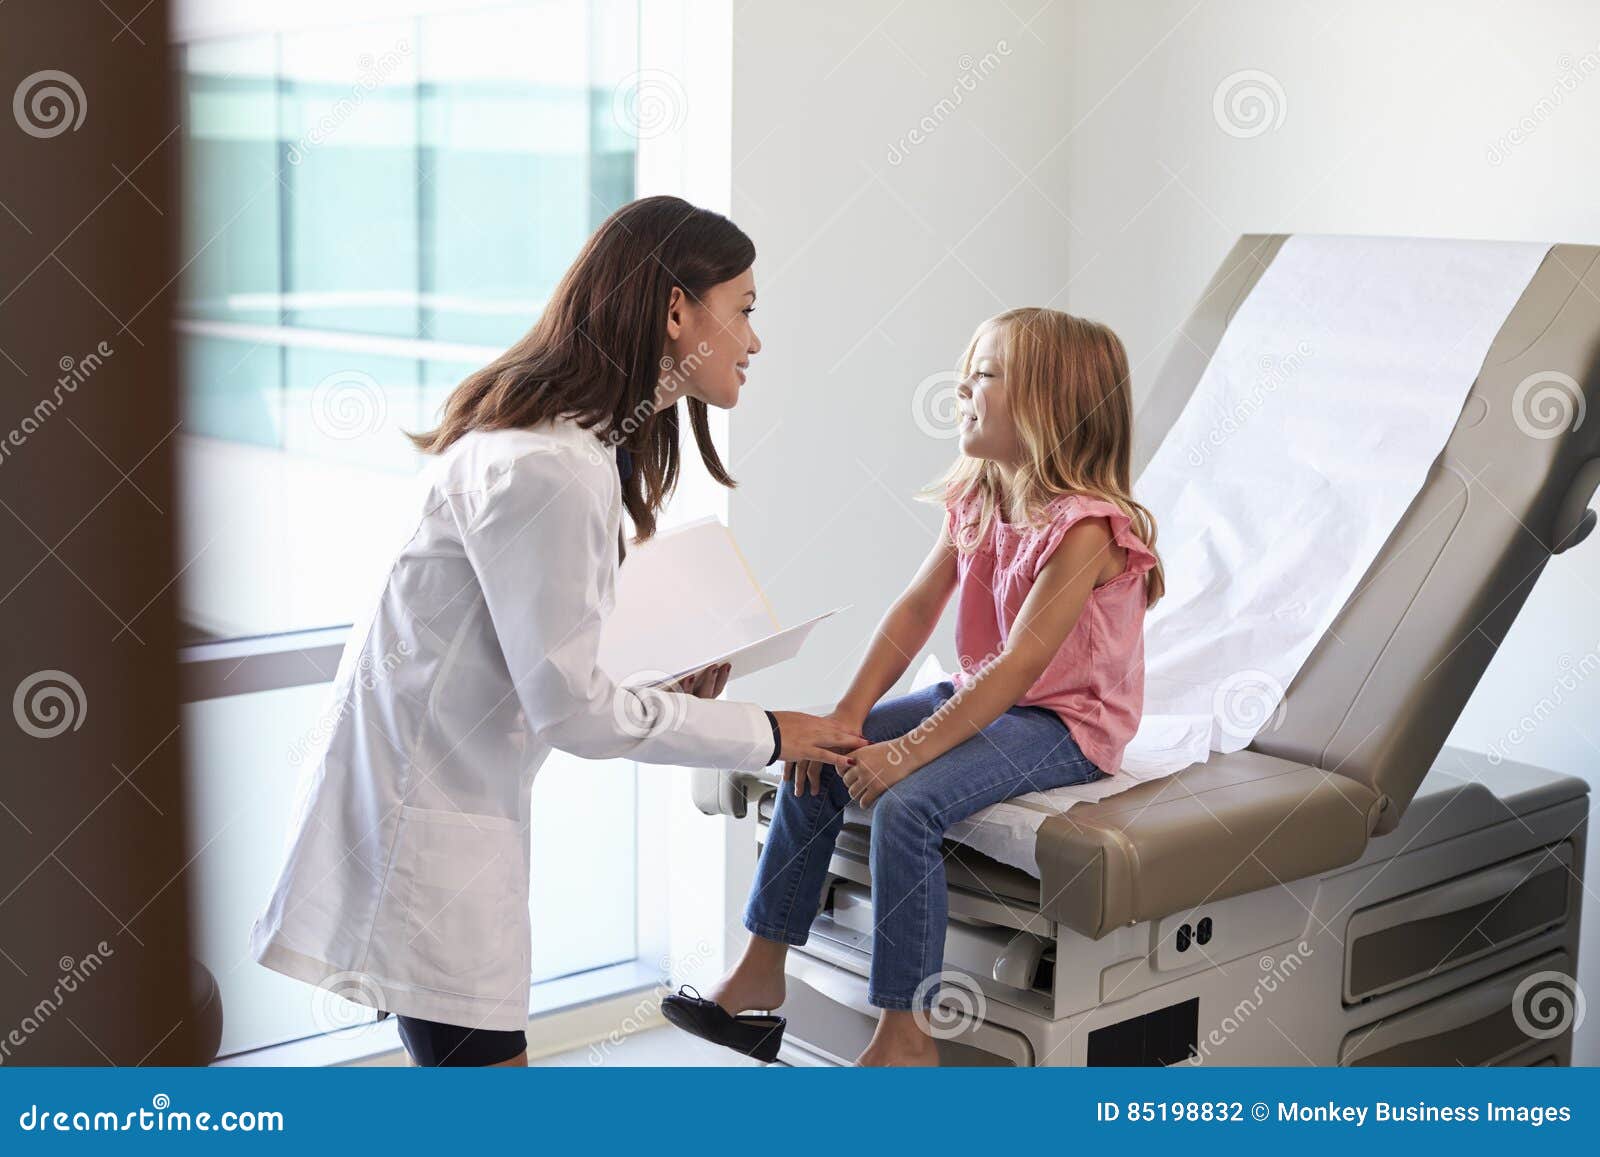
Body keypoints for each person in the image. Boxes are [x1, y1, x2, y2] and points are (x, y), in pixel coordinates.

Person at [250, 196, 866, 1067]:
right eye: (746, 311)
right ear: (677, 310)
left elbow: (534, 651)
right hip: (426, 831)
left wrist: (653, 683)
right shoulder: (553, 467)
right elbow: (572, 711)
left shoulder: (558, 443)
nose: (756, 340)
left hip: (433, 809)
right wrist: (770, 732)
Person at [663, 308, 1165, 1066]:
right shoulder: (981, 496)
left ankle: (906, 1035)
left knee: (907, 806)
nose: (962, 386)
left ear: (1051, 402)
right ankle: (761, 972)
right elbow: (915, 611)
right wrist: (847, 715)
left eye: (985, 374)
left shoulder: (1088, 529)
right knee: (821, 751)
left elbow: (1023, 664)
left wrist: (908, 754)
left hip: (1065, 722)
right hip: (983, 693)